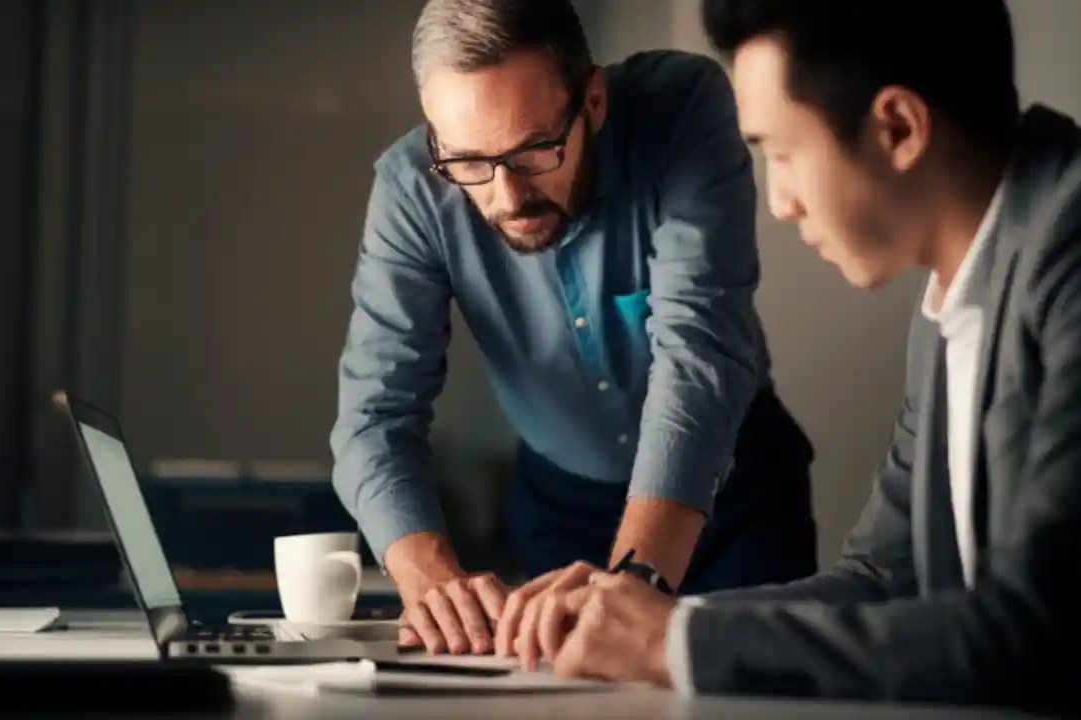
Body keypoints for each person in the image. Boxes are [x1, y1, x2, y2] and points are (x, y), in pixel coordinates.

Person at [518, 0, 1081, 713]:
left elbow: (1054, 628)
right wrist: (650, 621)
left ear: (898, 127)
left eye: (780, 154)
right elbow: (883, 577)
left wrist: (675, 647)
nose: (779, 202)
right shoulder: (954, 296)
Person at [329, 0, 817, 658]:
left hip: (733, 498)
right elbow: (375, 410)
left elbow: (699, 355)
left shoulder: (683, 111)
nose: (505, 197)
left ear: (591, 101)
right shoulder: (411, 188)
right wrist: (430, 580)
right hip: (560, 509)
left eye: (534, 151)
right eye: (467, 161)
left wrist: (636, 579)